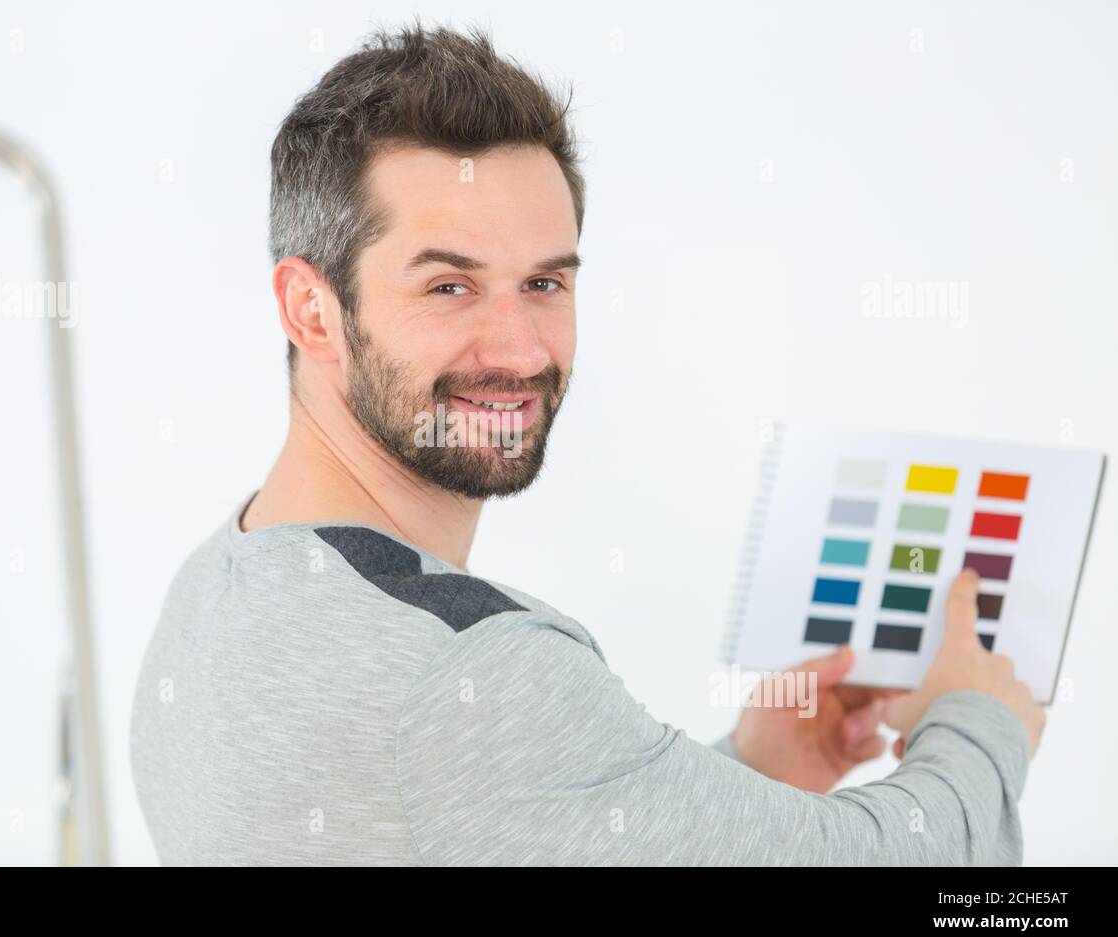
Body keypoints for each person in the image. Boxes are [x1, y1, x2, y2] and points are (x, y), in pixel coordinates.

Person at [129, 21, 1045, 865]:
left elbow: (478, 827)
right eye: (449, 287)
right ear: (310, 308)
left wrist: (755, 772)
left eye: (543, 283)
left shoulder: (214, 589)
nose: (522, 350)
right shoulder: (472, 668)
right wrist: (975, 722)